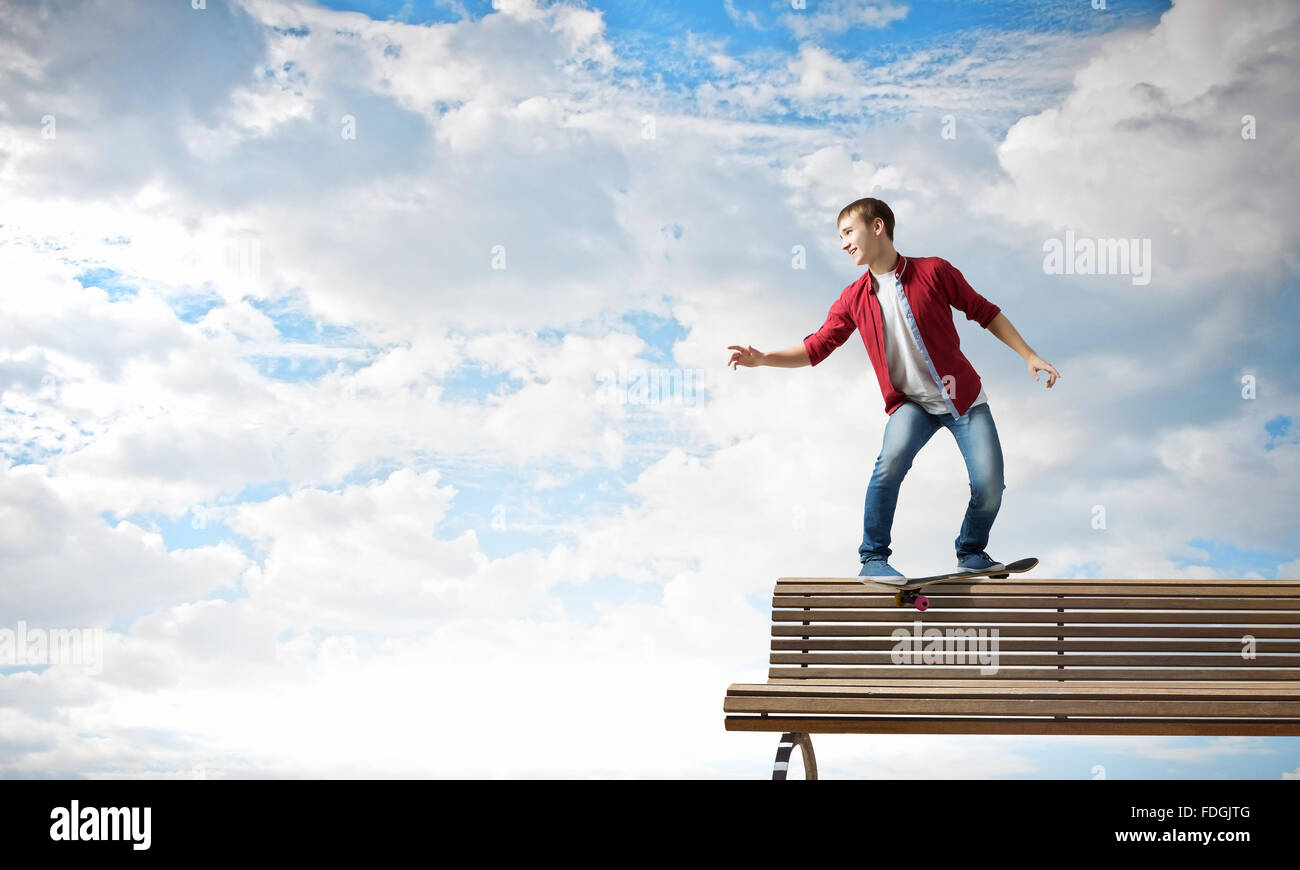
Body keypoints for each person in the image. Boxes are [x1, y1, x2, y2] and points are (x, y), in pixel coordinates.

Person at [727, 197, 1061, 585]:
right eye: (840, 237)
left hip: (963, 399)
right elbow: (817, 346)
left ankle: (971, 552)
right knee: (889, 467)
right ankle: (873, 558)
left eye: (848, 232)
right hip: (911, 404)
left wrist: (1029, 355)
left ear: (878, 227)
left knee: (990, 485)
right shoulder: (853, 297)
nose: (844, 244)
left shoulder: (934, 272)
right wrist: (765, 357)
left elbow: (984, 312)